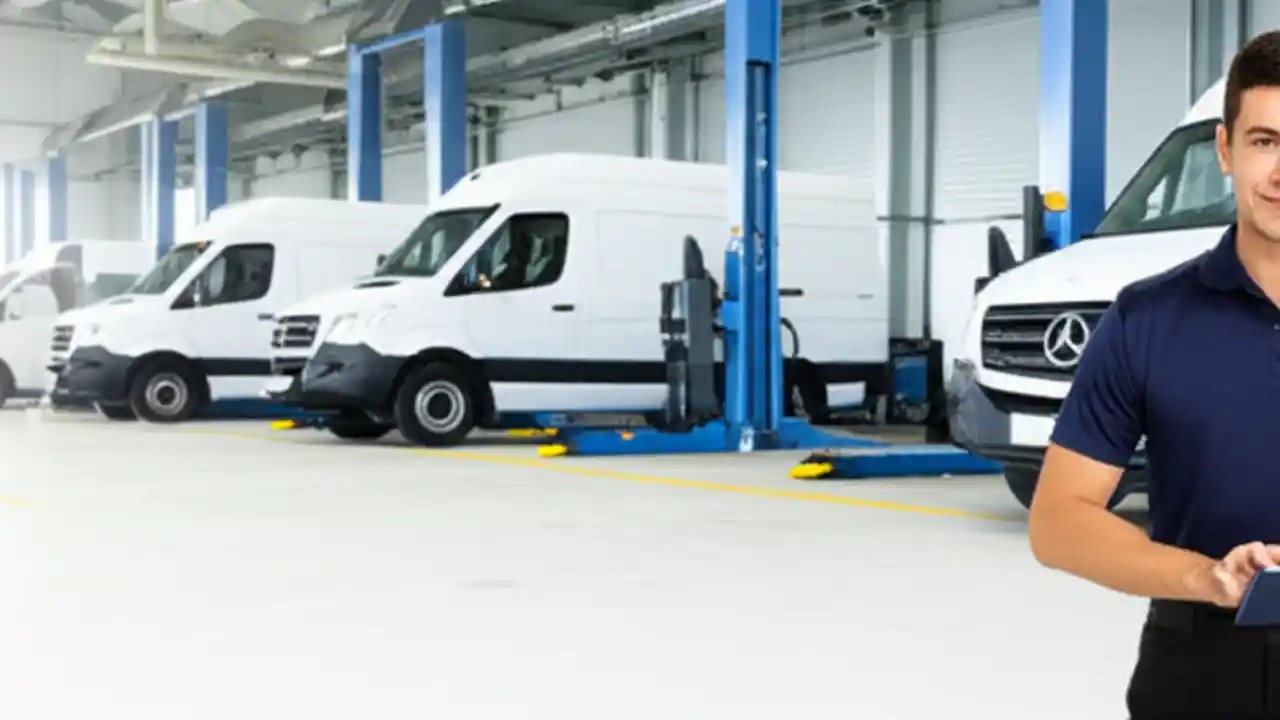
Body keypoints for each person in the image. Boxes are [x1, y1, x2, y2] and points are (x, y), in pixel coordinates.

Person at [1030, 30, 1280, 719]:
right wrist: (1205, 576)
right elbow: (1059, 521)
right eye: (1265, 141)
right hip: (1199, 669)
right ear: (1225, 151)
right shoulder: (1147, 319)